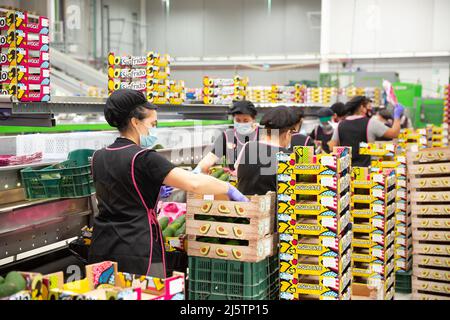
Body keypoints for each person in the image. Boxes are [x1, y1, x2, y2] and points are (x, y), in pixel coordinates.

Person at [89, 89, 248, 278]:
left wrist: (150, 188)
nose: (154, 130)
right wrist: (228, 188)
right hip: (137, 248)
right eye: (152, 124)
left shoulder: (98, 156)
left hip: (102, 245)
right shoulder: (144, 157)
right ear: (135, 122)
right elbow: (194, 183)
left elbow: (123, 188)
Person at [328, 96, 404, 167]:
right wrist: (397, 116)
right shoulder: (370, 123)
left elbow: (332, 147)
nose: (369, 109)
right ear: (362, 107)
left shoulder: (340, 124)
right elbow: (394, 133)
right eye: (368, 106)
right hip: (365, 172)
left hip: (346, 170)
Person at [235, 106, 295, 196]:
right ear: (288, 134)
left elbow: (238, 176)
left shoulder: (247, 146)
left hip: (243, 207)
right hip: (271, 209)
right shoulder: (289, 156)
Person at [194, 100, 259, 174]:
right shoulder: (227, 136)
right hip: (234, 182)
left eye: (246, 120)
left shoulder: (263, 135)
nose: (241, 123)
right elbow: (210, 159)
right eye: (238, 120)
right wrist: (196, 172)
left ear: (253, 119)